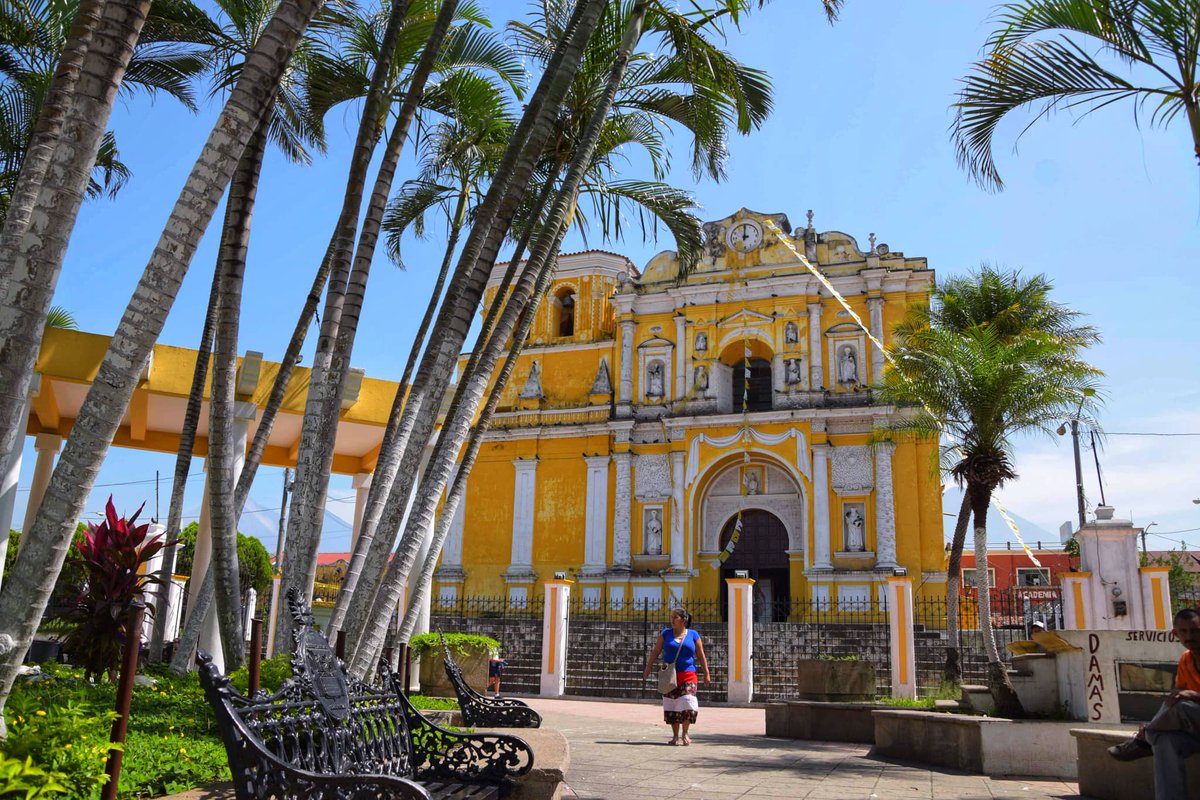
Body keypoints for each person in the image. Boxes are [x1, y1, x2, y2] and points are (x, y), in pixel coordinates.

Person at [1108, 607, 1200, 799]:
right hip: (1195, 728)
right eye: (1183, 632)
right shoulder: (1186, 659)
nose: (1189, 636)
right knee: (1165, 740)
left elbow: (1187, 699)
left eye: (1194, 631)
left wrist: (1195, 695)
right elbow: (1178, 695)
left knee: (1181, 706)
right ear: (1176, 634)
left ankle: (1144, 737)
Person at [642, 608, 710, 746]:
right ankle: (675, 736)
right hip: (670, 675)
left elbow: (701, 655)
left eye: (675, 617)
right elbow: (656, 651)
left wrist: (706, 673)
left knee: (687, 702)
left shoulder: (693, 635)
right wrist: (648, 667)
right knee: (672, 704)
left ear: (683, 619)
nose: (672, 619)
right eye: (671, 617)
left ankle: (685, 733)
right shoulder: (665, 634)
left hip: (688, 674)